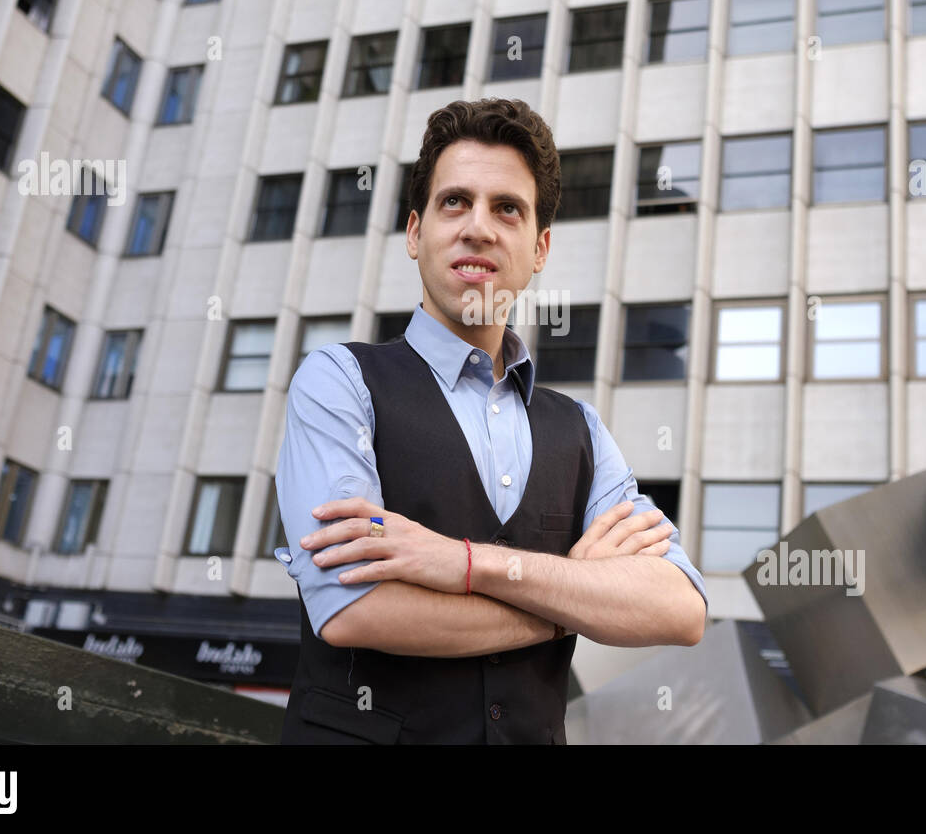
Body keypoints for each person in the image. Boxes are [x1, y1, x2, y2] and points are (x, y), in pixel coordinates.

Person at [273, 98, 707, 744]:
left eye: (508, 208)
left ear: (540, 248)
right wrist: (567, 604)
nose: (479, 227)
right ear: (415, 233)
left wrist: (465, 564)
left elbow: (679, 607)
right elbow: (354, 607)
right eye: (455, 202)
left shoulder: (582, 432)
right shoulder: (339, 383)